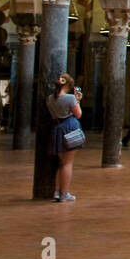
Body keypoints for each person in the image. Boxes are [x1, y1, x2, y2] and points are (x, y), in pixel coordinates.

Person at [46, 74, 83, 202]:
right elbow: (78, 114)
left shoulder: (50, 98)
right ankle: (64, 193)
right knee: (68, 163)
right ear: (68, 85)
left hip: (58, 127)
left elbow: (54, 117)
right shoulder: (70, 98)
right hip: (70, 126)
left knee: (62, 163)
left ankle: (57, 192)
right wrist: (78, 100)